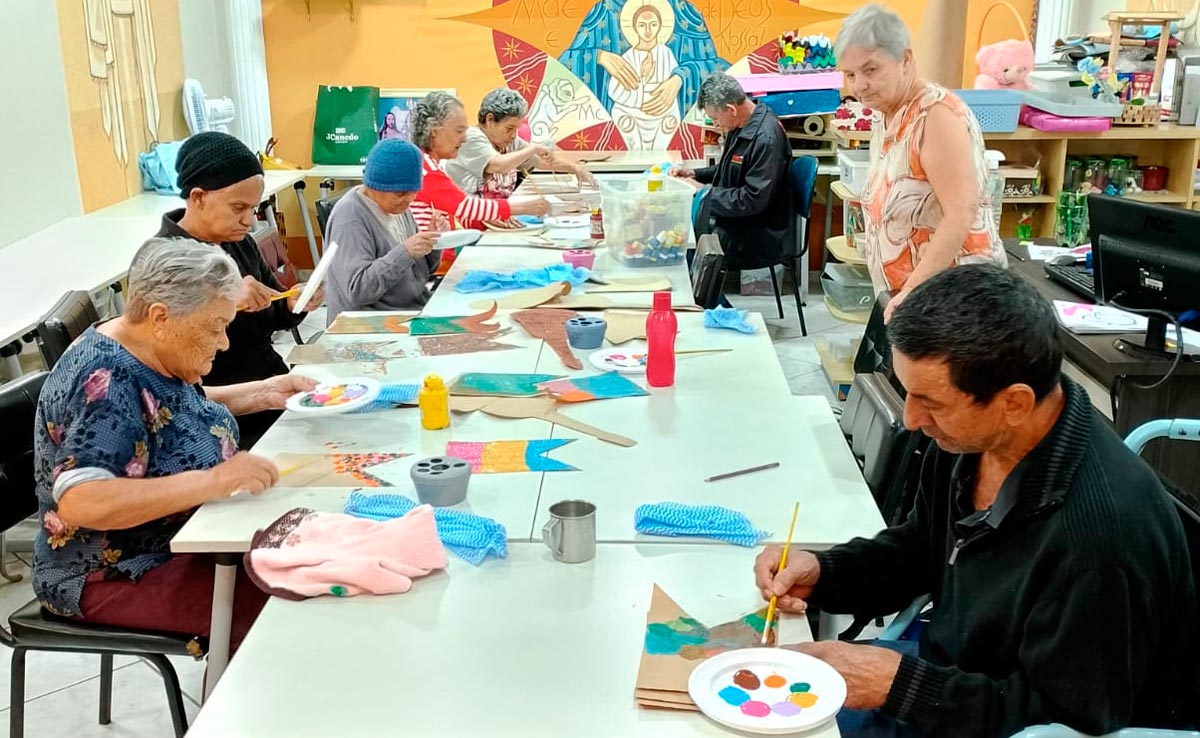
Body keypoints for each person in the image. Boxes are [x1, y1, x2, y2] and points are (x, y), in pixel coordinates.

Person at [754, 265, 1196, 738]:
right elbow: (924, 546)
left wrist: (900, 685)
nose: (912, 418)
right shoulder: (971, 443)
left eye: (932, 402)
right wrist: (828, 573)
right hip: (953, 679)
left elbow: (1068, 722)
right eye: (908, 393)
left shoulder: (1099, 545)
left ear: (1014, 403)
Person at [32, 238, 317, 653]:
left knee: (312, 563)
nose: (223, 343)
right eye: (215, 326)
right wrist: (212, 481)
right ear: (161, 316)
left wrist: (264, 392)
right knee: (282, 615)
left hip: (183, 539)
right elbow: (82, 501)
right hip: (114, 571)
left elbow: (167, 409)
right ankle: (235, 714)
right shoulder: (106, 380)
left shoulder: (142, 341)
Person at [836, 4, 1006, 320]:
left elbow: (961, 212)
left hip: (951, 301)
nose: (859, 85)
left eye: (870, 70)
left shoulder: (935, 115)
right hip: (914, 301)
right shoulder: (886, 115)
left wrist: (912, 291)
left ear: (906, 59)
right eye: (850, 74)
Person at [156, 131, 321, 449]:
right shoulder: (164, 259)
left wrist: (292, 304)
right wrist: (225, 300)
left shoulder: (238, 242)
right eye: (238, 208)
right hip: (222, 412)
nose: (248, 220)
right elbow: (165, 357)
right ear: (199, 197)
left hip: (270, 388)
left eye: (253, 208)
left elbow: (272, 314)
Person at [670, 72, 791, 271]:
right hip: (737, 221)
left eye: (715, 118)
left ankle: (709, 301)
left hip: (756, 235)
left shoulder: (766, 138)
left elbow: (752, 200)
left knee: (682, 243)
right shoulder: (743, 123)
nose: (716, 125)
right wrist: (694, 174)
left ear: (730, 109)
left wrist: (703, 192)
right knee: (679, 230)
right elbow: (733, 169)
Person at [324, 139, 442, 325]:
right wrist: (405, 252)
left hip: (408, 311)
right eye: (401, 193)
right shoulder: (350, 219)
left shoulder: (397, 208)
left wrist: (433, 242)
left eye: (414, 192)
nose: (408, 200)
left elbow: (421, 274)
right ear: (376, 185)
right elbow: (358, 290)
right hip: (368, 325)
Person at [408, 91, 549, 231]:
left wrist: (484, 219)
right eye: (459, 131)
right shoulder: (425, 170)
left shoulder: (429, 165)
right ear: (434, 131)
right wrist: (523, 207)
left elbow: (457, 212)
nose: (464, 139)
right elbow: (464, 206)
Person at [444, 88, 596, 200]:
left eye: (516, 129)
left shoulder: (510, 142)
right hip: (467, 221)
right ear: (490, 120)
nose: (513, 135)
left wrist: (575, 168)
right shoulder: (471, 138)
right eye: (509, 128)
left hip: (497, 218)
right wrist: (533, 148)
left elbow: (542, 160)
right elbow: (497, 165)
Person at [606, 4, 683, 150]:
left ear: (660, 26)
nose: (648, 30)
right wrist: (643, 77)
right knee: (622, 117)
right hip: (633, 112)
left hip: (662, 112)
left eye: (653, 24)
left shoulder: (666, 53)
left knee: (669, 125)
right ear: (635, 27)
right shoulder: (628, 57)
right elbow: (614, 91)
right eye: (642, 25)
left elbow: (674, 84)